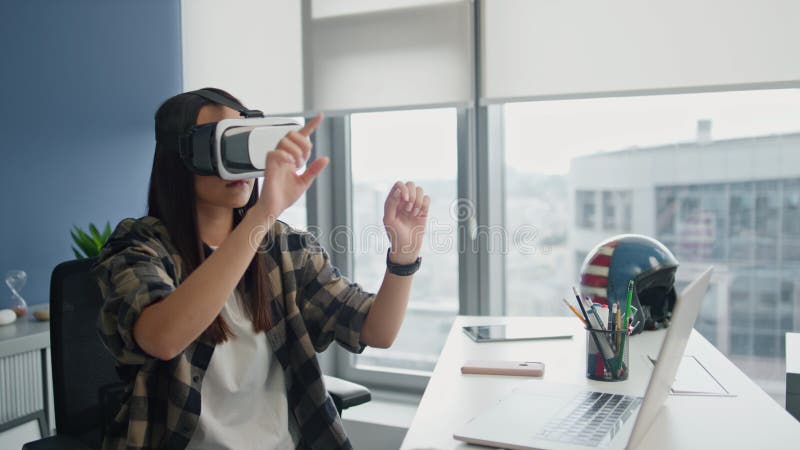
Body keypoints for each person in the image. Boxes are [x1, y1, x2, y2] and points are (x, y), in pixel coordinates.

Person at [92, 88, 429, 450]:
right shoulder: (138, 247)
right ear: (181, 157)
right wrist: (262, 214)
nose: (239, 163)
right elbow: (163, 338)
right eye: (222, 145)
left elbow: (376, 330)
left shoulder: (283, 248)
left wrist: (404, 255)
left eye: (245, 142)